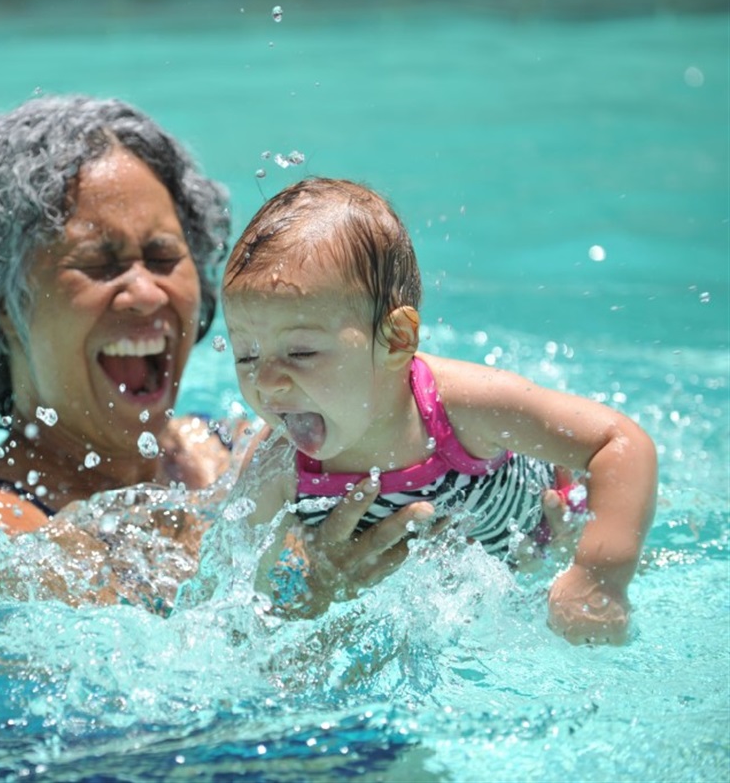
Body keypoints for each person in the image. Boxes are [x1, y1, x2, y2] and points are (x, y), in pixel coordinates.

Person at [0, 96, 433, 607]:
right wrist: (297, 601)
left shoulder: (243, 454)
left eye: (163, 255)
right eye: (99, 264)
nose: (147, 292)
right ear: (3, 308)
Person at [221, 177, 657, 644]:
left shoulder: (463, 407)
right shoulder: (277, 467)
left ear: (397, 340)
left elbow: (620, 444)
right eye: (247, 356)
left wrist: (597, 576)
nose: (266, 381)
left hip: (549, 535)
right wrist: (313, 588)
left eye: (301, 352)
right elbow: (237, 601)